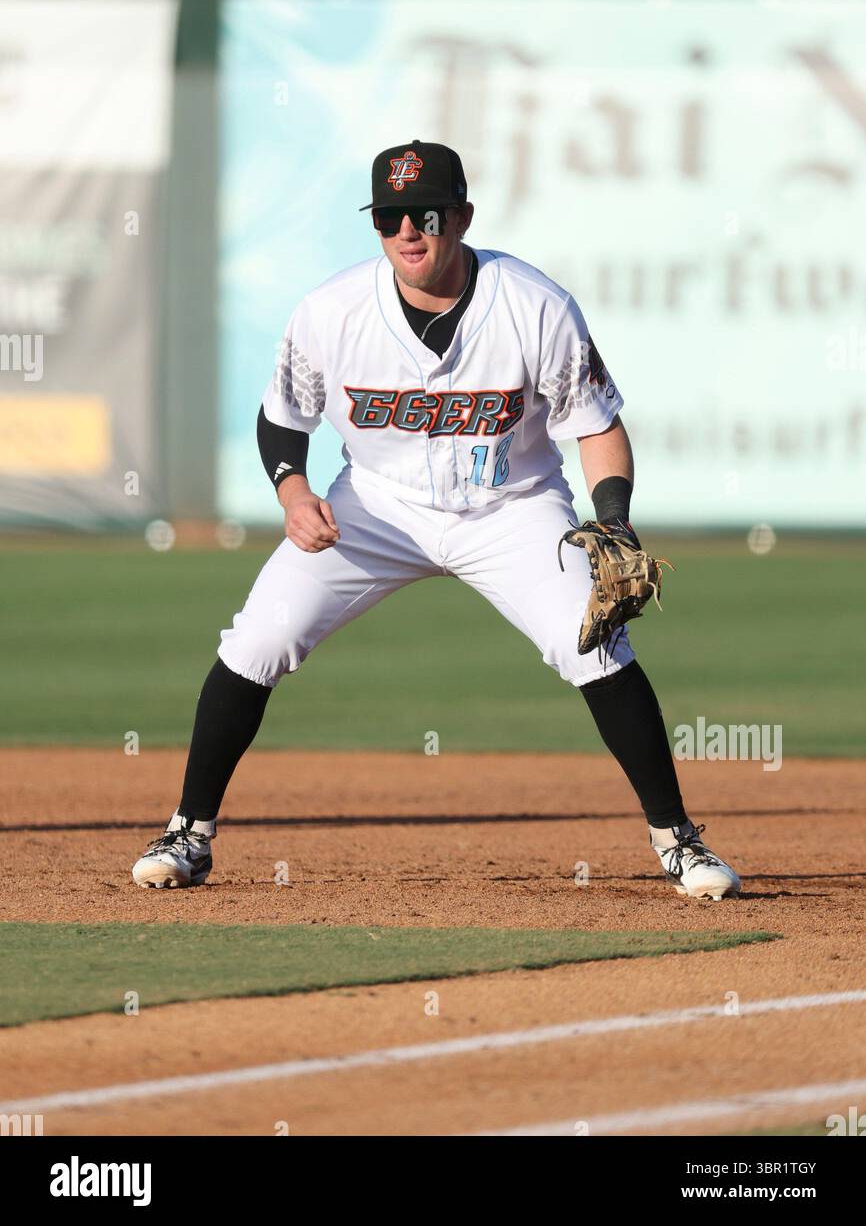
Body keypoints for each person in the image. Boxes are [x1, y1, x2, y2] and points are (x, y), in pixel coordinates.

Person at [132, 140, 740, 902]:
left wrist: (612, 518)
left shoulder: (533, 304)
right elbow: (282, 419)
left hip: (512, 507)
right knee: (260, 636)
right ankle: (189, 832)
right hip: (376, 507)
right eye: (389, 217)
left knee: (594, 646)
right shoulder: (332, 311)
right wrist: (293, 491)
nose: (407, 231)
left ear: (462, 216)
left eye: (425, 213)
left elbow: (596, 425)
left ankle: (676, 838)